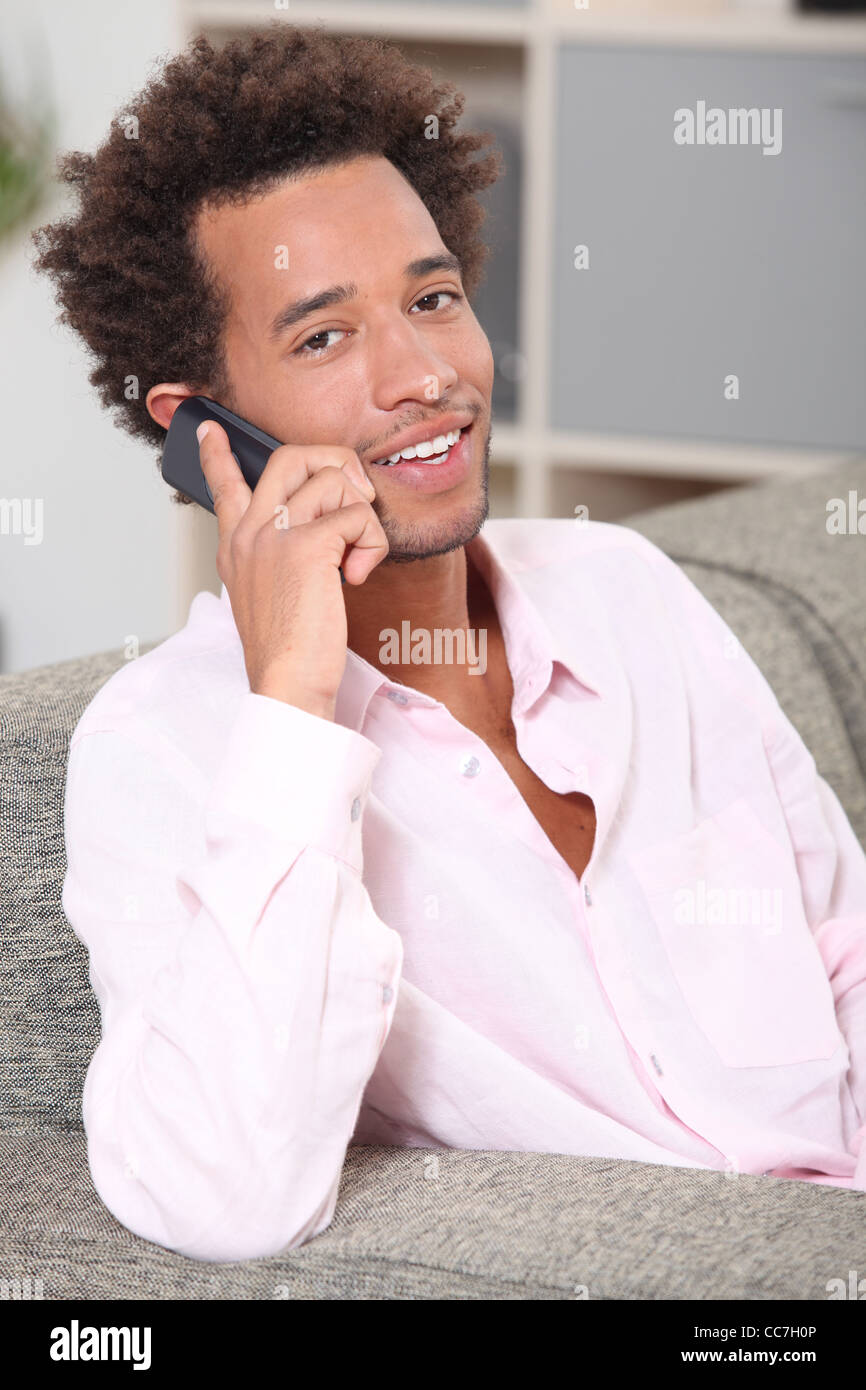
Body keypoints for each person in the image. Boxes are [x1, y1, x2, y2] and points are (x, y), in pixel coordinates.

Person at [34, 24, 866, 1264]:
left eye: (432, 299)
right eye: (324, 337)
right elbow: (224, 1195)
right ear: (199, 427)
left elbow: (841, 954)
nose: (424, 374)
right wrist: (297, 700)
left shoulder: (625, 589)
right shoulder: (166, 747)